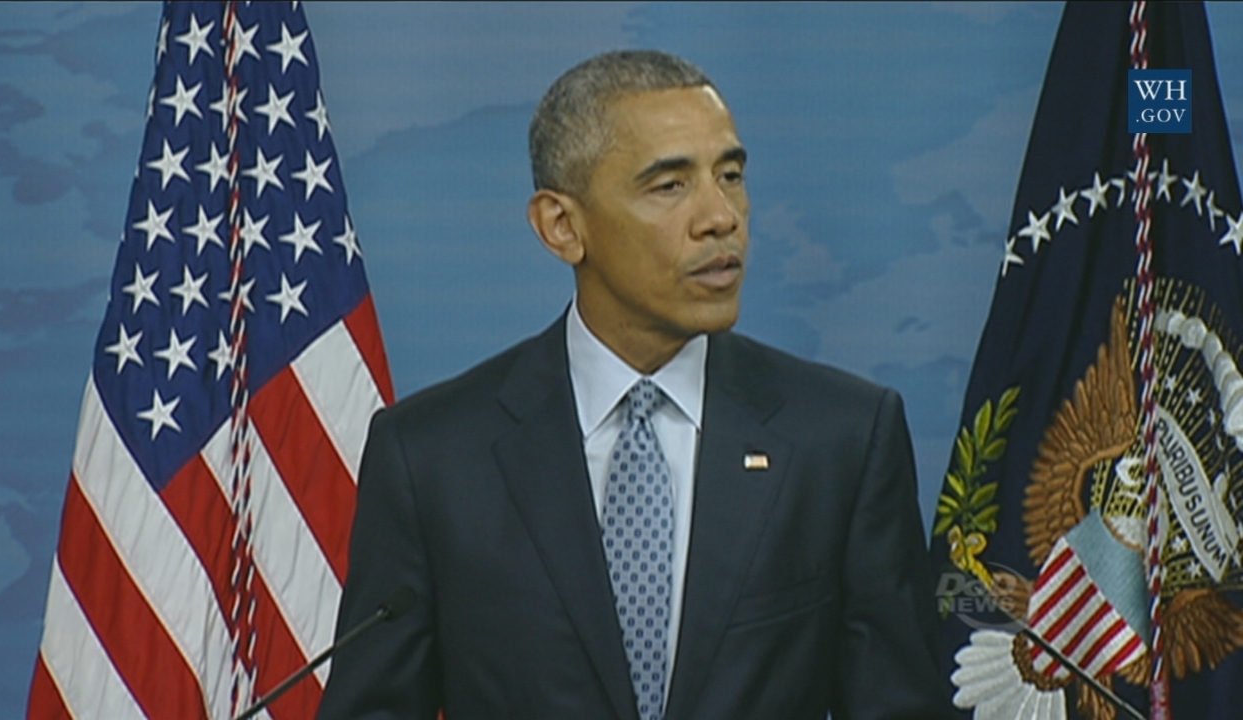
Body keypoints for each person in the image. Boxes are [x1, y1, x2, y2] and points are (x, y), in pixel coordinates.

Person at [316, 50, 953, 720]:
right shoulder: (433, 457)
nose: (721, 217)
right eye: (670, 186)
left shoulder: (841, 440)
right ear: (562, 226)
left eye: (730, 176)